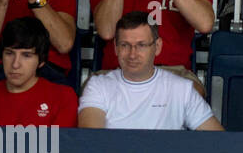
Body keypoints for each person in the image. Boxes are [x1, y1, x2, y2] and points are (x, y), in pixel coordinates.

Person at [78, 12, 223, 130]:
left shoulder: (181, 89)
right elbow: (91, 141)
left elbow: (218, 140)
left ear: (158, 46)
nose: (132, 54)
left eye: (141, 45)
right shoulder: (98, 85)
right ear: (115, 47)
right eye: (125, 45)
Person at [0, 18, 78, 128]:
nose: (15, 64)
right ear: (1, 56)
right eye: (9, 53)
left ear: (41, 61)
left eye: (26, 55)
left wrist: (4, 140)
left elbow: (60, 147)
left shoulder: (63, 98)